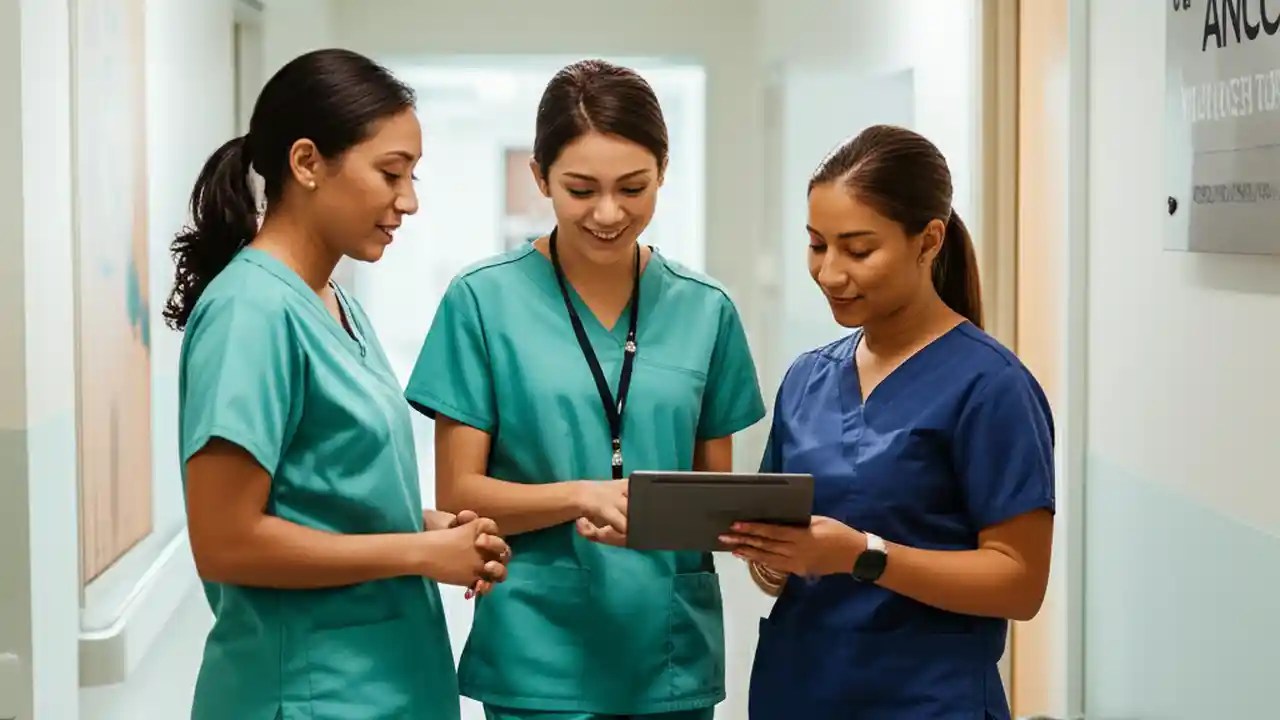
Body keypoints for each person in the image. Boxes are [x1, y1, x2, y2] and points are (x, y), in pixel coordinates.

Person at [405, 58, 767, 720]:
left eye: (633, 188)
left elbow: (715, 503)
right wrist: (582, 495)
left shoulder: (705, 309)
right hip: (536, 647)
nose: (608, 213)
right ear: (540, 176)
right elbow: (459, 493)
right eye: (580, 189)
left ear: (664, 171)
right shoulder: (483, 301)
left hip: (667, 649)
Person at [169, 48, 511, 720]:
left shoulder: (332, 301)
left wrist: (435, 528)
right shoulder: (251, 312)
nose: (407, 201)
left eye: (412, 175)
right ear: (306, 164)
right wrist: (419, 551)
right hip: (305, 694)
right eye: (391, 174)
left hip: (380, 686)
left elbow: (324, 496)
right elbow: (226, 540)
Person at [722, 125, 1055, 719]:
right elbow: (779, 568)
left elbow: (1019, 582)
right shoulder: (807, 379)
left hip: (925, 700)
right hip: (800, 690)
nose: (829, 272)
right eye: (817, 245)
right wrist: (772, 558)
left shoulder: (991, 387)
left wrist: (863, 555)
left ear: (928, 242)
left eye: (857, 250)